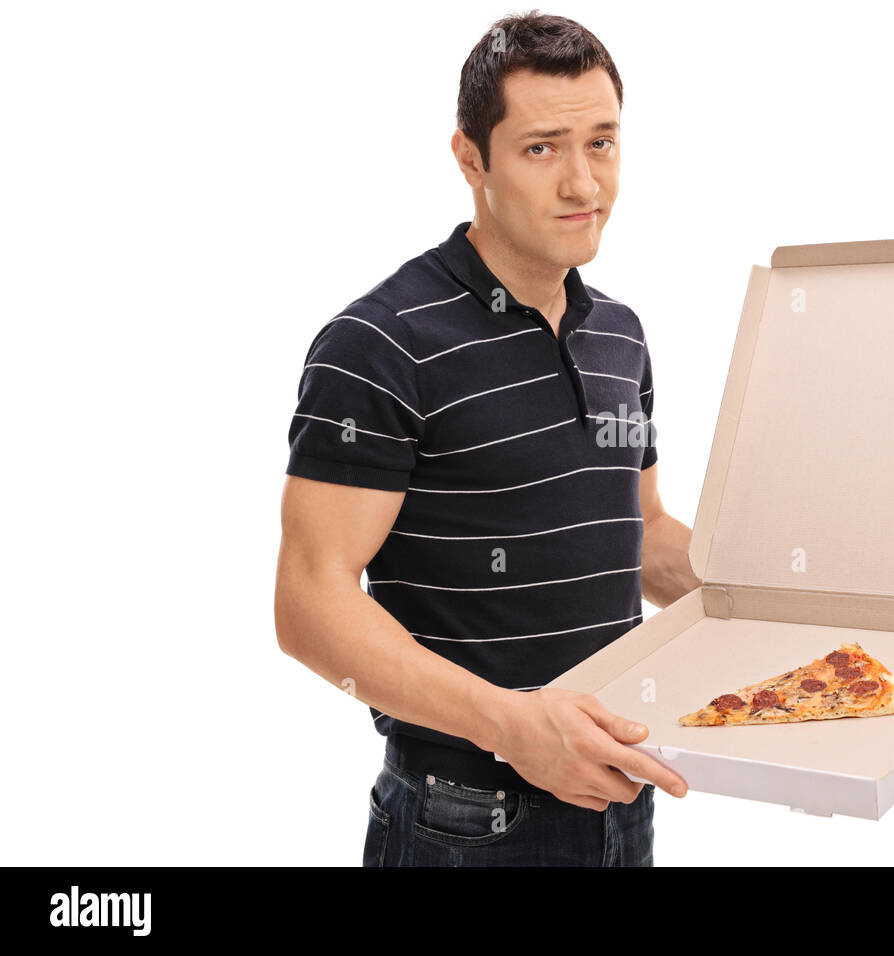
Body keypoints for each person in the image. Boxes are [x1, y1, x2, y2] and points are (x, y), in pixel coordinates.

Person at [273, 11, 701, 867]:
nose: (584, 184)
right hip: (463, 820)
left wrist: (790, 593)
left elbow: (641, 533)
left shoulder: (619, 332)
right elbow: (309, 603)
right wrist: (514, 725)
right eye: (543, 148)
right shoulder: (383, 342)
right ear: (471, 158)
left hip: (623, 797)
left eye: (604, 143)